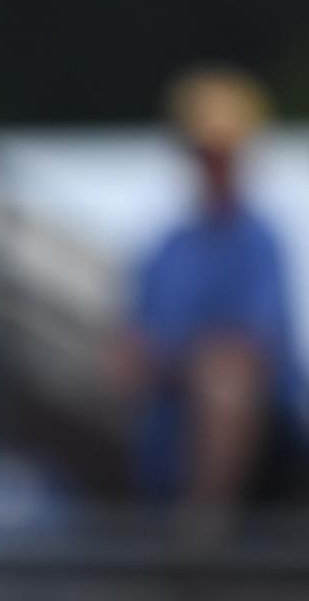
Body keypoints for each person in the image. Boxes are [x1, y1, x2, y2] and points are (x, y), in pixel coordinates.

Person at [120, 66, 304, 536]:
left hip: (256, 415)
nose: (214, 165)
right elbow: (134, 342)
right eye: (207, 154)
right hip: (175, 403)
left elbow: (251, 349)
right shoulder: (168, 245)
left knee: (224, 383)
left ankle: (202, 533)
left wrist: (179, 357)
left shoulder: (259, 240)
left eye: (223, 154)